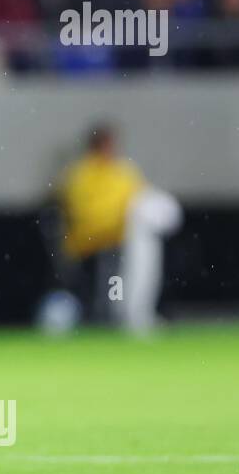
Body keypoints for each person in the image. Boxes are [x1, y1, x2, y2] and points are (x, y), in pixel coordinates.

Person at [58, 123, 181, 332]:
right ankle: (107, 317)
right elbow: (85, 215)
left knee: (144, 253)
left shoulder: (123, 171)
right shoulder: (81, 174)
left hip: (123, 239)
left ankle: (136, 312)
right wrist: (117, 224)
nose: (111, 150)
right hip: (93, 243)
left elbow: (142, 197)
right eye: (107, 145)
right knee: (113, 262)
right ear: (96, 146)